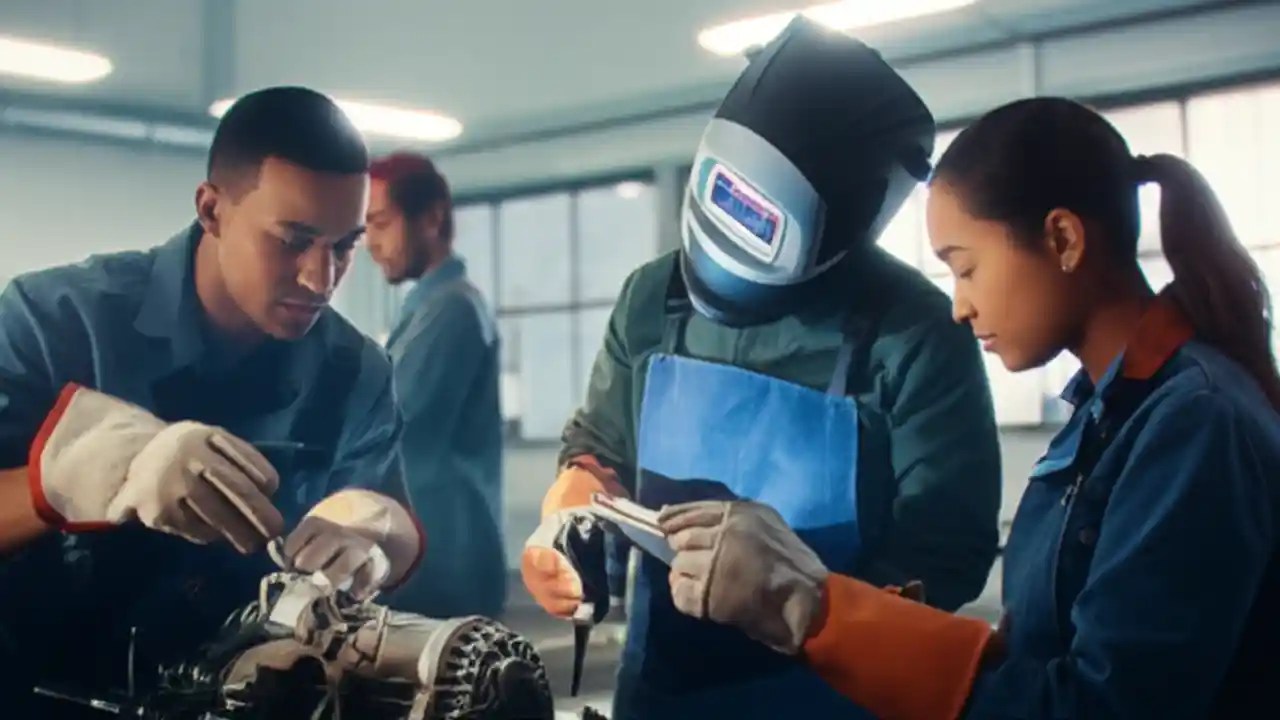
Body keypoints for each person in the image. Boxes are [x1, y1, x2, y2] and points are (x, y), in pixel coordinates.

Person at [660, 96, 1280, 719]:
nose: (960, 306)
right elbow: (1032, 656)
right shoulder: (1107, 417)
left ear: (1062, 238)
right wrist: (830, 602)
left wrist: (815, 609)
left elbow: (1102, 707)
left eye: (967, 268)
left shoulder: (1195, 424)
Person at [521, 17, 1003, 719]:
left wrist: (801, 604)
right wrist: (571, 512)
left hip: (834, 696)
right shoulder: (654, 298)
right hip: (663, 691)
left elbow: (950, 549)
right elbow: (599, 445)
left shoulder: (916, 333)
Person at [0, 86, 424, 717]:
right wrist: (58, 481)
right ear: (211, 209)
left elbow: (400, 525)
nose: (320, 278)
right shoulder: (53, 322)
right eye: (292, 240)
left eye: (345, 246)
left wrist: (378, 537)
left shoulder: (356, 370)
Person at [364, 152, 506, 618]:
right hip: (434, 553)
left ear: (431, 219)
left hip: (446, 559)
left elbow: (388, 416)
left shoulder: (451, 309)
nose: (370, 242)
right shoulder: (431, 307)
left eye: (381, 223)